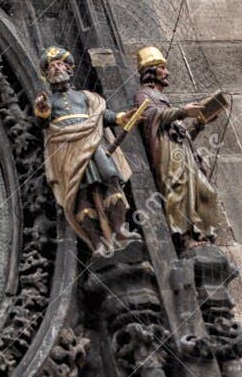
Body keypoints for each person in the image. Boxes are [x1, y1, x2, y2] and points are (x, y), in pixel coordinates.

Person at [34, 45, 135, 255]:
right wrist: (42, 112)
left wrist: (119, 118)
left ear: (69, 70)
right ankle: (97, 243)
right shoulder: (48, 101)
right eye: (51, 66)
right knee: (79, 194)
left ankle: (119, 229)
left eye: (60, 64)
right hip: (66, 148)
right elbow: (43, 123)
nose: (56, 68)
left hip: (91, 141)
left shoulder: (85, 97)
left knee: (111, 177)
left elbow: (100, 115)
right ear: (46, 74)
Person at [132, 46, 227, 243]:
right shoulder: (143, 95)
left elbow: (182, 134)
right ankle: (184, 238)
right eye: (161, 68)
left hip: (181, 151)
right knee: (177, 192)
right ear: (150, 72)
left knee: (206, 192)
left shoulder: (164, 100)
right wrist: (183, 111)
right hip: (167, 152)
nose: (166, 72)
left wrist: (200, 123)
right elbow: (151, 116)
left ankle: (202, 234)